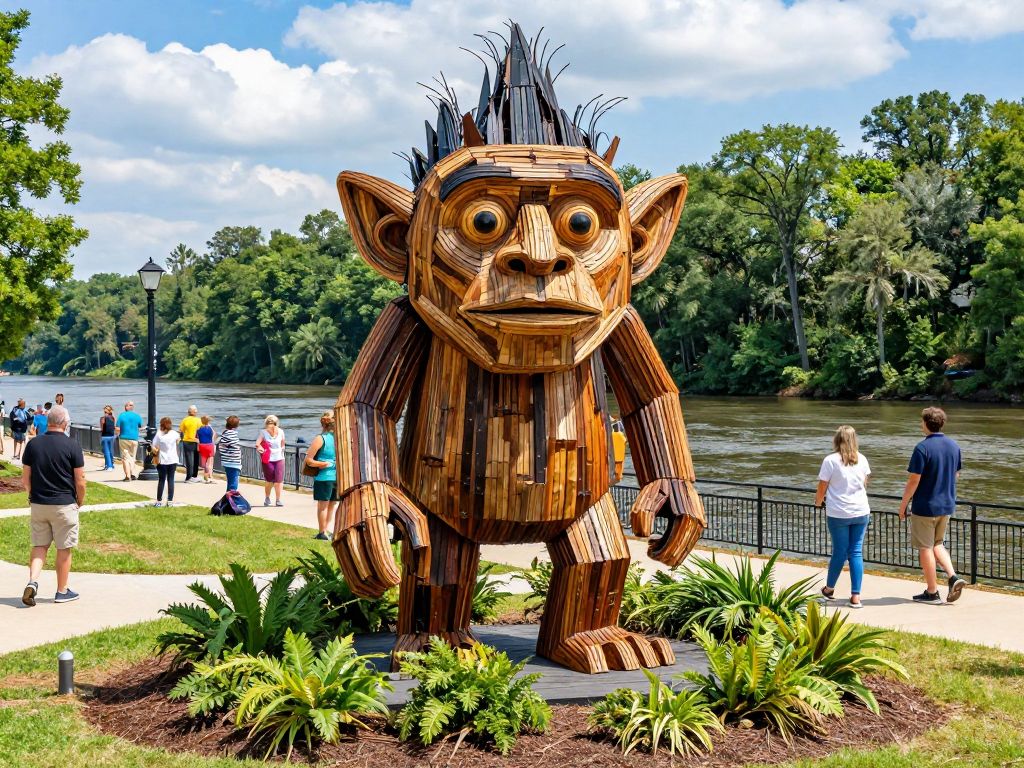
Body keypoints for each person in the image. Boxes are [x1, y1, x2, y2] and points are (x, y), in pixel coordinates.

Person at [898, 407, 967, 605]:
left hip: (925, 506)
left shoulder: (922, 448)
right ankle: (953, 576)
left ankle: (932, 591)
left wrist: (903, 505)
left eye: (922, 422)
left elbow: (913, 480)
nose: (921, 425)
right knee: (937, 543)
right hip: (946, 505)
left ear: (927, 423)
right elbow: (956, 475)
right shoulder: (954, 446)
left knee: (925, 548)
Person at [21, 405, 85, 606]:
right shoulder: (72, 445)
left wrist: (31, 495)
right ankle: (62, 590)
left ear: (48, 422)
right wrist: (79, 500)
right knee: (63, 548)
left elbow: (25, 477)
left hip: (39, 503)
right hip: (64, 503)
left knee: (40, 545)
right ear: (65, 423)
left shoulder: (33, 444)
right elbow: (80, 480)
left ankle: (33, 581)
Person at [815, 425, 871, 609]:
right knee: (855, 552)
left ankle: (829, 589)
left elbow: (822, 487)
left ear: (837, 439)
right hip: (861, 510)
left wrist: (818, 502)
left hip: (839, 512)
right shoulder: (861, 459)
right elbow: (864, 483)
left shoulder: (830, 460)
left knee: (840, 551)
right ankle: (856, 596)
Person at [306, 411, 338, 540]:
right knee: (329, 505)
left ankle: (323, 531)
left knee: (326, 505)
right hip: (330, 477)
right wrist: (324, 463)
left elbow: (309, 459)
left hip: (329, 477)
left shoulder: (321, 438)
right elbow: (309, 461)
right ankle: (324, 531)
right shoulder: (330, 439)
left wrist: (322, 464)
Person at [256, 414, 285, 507]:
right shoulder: (263, 432)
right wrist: (260, 448)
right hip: (268, 459)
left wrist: (282, 449)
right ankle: (267, 498)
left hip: (279, 458)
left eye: (272, 424)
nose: (271, 426)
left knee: (279, 480)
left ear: (276, 424)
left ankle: (278, 499)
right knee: (269, 480)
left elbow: (283, 443)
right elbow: (257, 443)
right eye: (269, 424)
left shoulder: (281, 432)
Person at [151, 417, 180, 507]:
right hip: (173, 459)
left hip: (162, 460)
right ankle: (170, 501)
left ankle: (159, 501)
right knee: (171, 480)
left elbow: (154, 445)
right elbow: (178, 441)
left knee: (162, 480)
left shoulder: (159, 434)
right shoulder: (174, 433)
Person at [115, 401, 144, 481]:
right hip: (134, 439)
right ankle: (131, 474)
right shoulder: (137, 416)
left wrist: (118, 434)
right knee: (132, 458)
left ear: (126, 407)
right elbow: (140, 427)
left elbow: (117, 428)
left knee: (125, 458)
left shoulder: (121, 415)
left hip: (124, 439)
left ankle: (128, 476)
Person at [217, 415, 242, 492]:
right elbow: (235, 446)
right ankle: (231, 500)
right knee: (233, 484)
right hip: (234, 462)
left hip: (226, 461)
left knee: (230, 482)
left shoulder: (224, 433)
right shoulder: (232, 434)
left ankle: (228, 500)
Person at [179, 405, 202, 483]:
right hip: (196, 441)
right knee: (196, 459)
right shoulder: (199, 420)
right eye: (196, 411)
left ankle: (189, 476)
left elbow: (181, 430)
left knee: (189, 460)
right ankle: (193, 476)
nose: (196, 412)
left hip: (187, 441)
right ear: (194, 412)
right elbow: (200, 431)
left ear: (188, 412)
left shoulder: (184, 420)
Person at [197, 415, 217, 484]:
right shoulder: (210, 428)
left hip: (202, 446)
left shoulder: (199, 429)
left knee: (204, 461)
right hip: (209, 445)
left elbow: (197, 437)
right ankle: (210, 476)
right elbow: (214, 435)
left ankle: (206, 474)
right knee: (210, 462)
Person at [99, 405, 117, 471]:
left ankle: (109, 466)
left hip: (105, 436)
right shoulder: (113, 418)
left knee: (106, 451)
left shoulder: (102, 418)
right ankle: (111, 464)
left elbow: (102, 428)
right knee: (111, 451)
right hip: (112, 436)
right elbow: (114, 426)